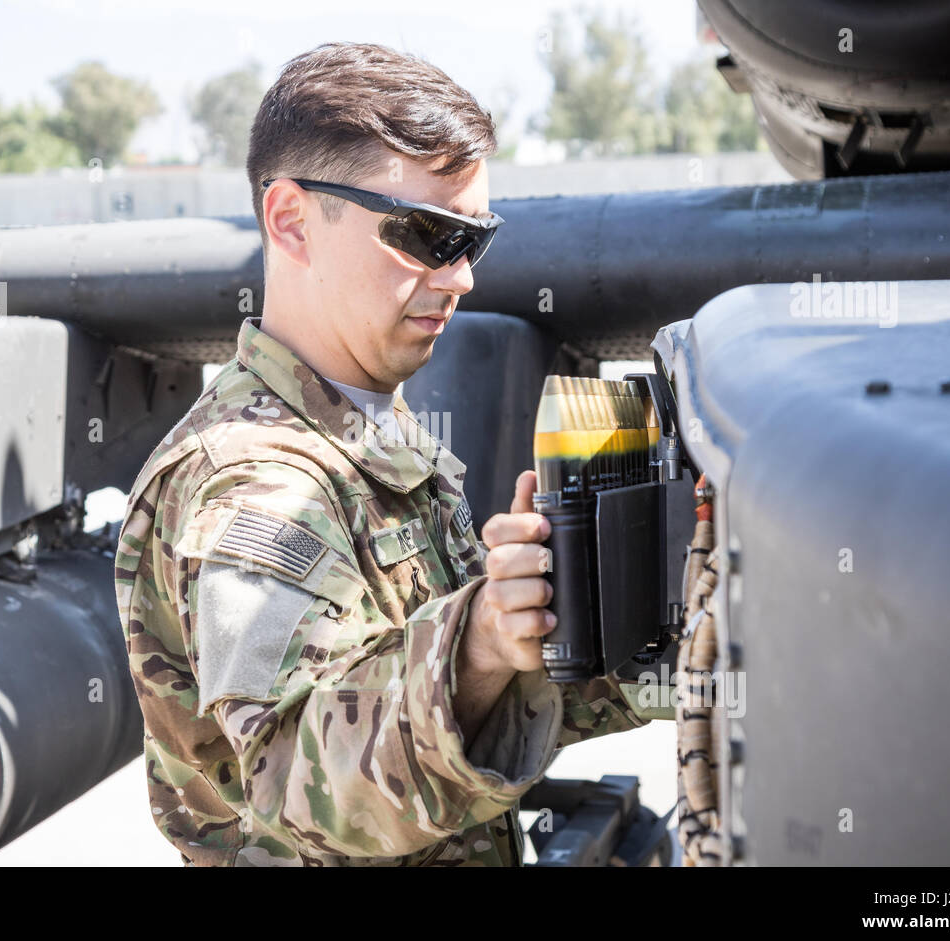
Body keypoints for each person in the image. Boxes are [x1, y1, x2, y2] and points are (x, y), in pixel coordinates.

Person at [114, 41, 646, 867]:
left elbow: (491, 703)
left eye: (475, 241)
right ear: (292, 219)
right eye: (428, 235)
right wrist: (477, 639)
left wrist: (658, 624)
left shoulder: (364, 435)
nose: (460, 278)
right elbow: (298, 782)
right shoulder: (254, 485)